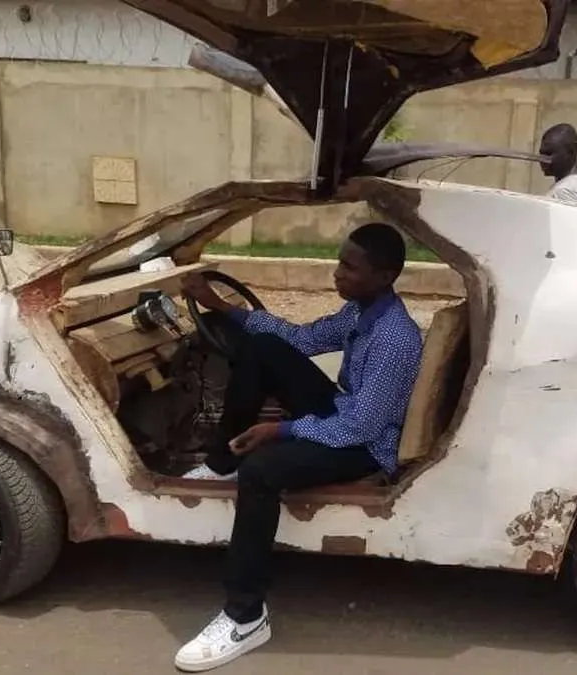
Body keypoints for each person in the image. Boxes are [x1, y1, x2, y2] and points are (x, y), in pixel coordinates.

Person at [173, 222, 424, 672]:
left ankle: (245, 616)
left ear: (384, 275)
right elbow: (303, 339)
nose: (337, 273)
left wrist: (282, 431)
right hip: (346, 412)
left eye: (349, 267)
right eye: (339, 261)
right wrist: (223, 307)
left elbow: (362, 425)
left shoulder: (395, 337)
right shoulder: (362, 312)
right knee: (264, 348)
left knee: (262, 471)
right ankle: (220, 460)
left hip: (367, 444)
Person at [538, 123, 577, 207]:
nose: (542, 159)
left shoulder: (565, 192)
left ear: (570, 152)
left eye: (548, 154)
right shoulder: (576, 184)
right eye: (541, 154)